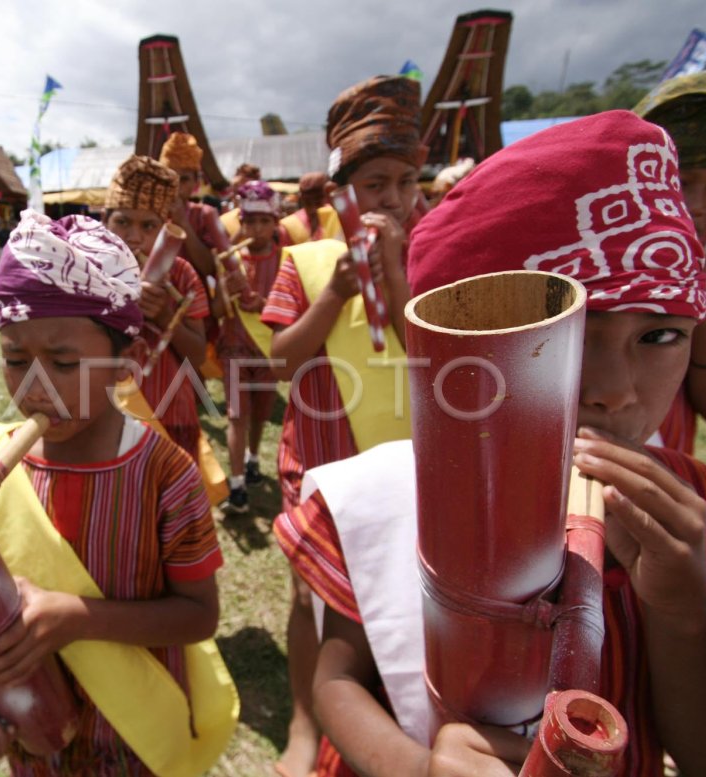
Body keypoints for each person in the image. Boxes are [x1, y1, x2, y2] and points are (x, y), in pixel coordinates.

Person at [276, 110, 706, 776]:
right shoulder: (380, 498)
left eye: (660, 335)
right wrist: (417, 767)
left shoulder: (687, 510)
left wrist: (679, 611)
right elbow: (336, 680)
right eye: (569, 339)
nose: (612, 388)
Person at [0, 210, 230, 775]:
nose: (34, 385)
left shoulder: (164, 474)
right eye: (14, 358)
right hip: (33, 738)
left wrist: (77, 618)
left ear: (124, 366)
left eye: (64, 361)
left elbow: (198, 615)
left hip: (137, 741)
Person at [261, 75, 422, 777]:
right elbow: (280, 359)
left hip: (407, 469)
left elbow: (443, 356)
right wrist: (336, 294)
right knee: (312, 598)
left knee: (396, 598)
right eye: (376, 182)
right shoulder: (306, 263)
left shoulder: (430, 259)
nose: (391, 198)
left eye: (404, 182)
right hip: (322, 462)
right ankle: (305, 718)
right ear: (340, 195)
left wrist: (397, 283)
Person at [632, 70, 706, 456]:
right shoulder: (583, 274)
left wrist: (695, 285)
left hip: (671, 482)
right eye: (680, 178)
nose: (697, 205)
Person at [103, 154, 210, 461]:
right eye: (122, 222)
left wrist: (163, 314)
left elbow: (198, 356)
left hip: (171, 410)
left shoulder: (181, 274)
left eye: (148, 225)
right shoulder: (87, 272)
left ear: (165, 229)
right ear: (104, 221)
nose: (134, 237)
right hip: (105, 415)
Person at [218, 180, 287, 513]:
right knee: (236, 417)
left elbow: (292, 306)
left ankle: (253, 460)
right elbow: (216, 311)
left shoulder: (287, 259)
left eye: (264, 221)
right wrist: (223, 290)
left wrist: (263, 305)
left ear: (275, 222)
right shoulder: (229, 260)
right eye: (249, 221)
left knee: (260, 415)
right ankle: (237, 488)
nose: (256, 229)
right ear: (241, 222)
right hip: (234, 349)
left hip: (268, 350)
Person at [159, 132, 219, 278]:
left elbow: (210, 269)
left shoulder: (206, 214)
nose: (176, 186)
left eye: (184, 179)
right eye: (170, 177)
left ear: (195, 182)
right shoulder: (149, 213)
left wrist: (183, 224)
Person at [279, 172, 344, 245]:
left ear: (329, 197)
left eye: (318, 203)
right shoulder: (289, 226)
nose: (313, 210)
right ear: (302, 200)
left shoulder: (341, 217)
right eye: (308, 203)